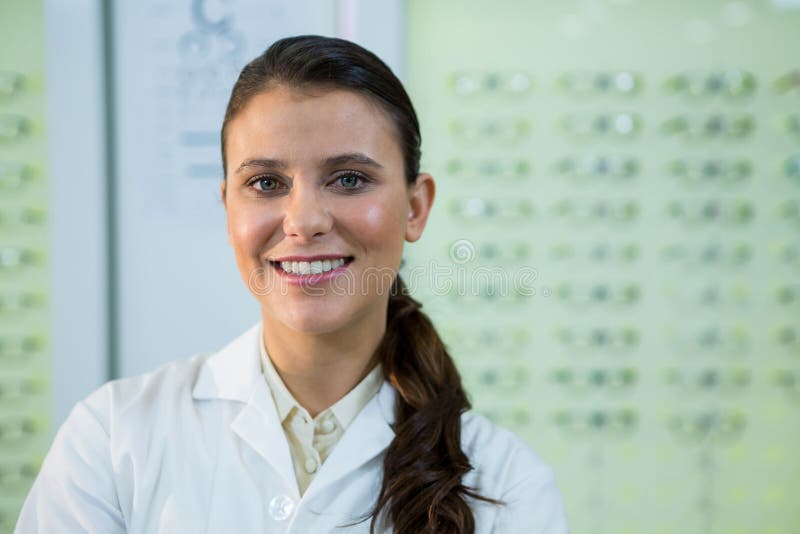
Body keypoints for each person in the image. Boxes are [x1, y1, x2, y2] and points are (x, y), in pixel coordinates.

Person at [15, 35, 569, 533]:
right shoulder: (111, 442)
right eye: (265, 182)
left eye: (349, 179)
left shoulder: (508, 490)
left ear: (415, 207)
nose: (304, 221)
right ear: (228, 208)